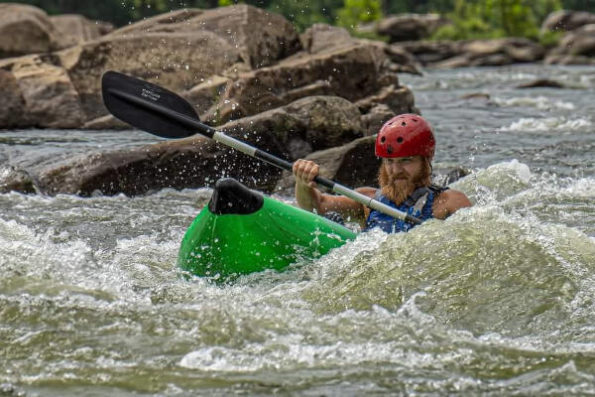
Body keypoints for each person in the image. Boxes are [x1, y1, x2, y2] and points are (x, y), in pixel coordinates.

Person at [293, 114, 472, 233]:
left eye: (405, 160)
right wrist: (303, 182)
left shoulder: (449, 202)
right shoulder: (366, 201)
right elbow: (317, 206)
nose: (395, 171)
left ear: (425, 160)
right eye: (389, 161)